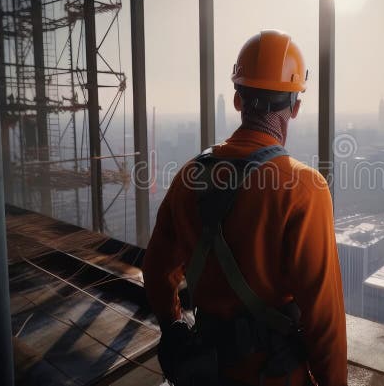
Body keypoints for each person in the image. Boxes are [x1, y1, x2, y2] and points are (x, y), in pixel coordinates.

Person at [141, 30, 347, 386]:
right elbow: (324, 320)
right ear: (295, 107)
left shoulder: (189, 175)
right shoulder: (304, 188)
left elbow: (157, 269)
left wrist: (174, 325)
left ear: (238, 100)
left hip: (206, 372)